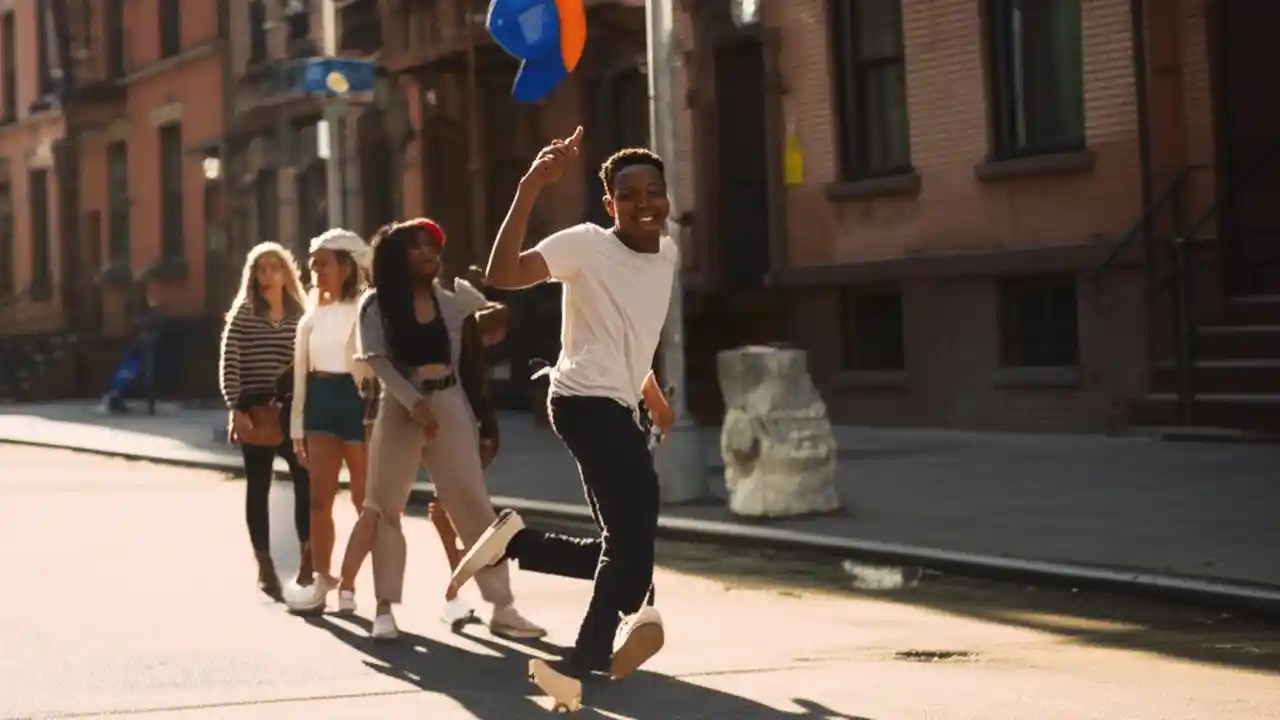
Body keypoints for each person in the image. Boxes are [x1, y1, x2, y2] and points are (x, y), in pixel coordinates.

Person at [450, 128, 676, 708]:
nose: (644, 203)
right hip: (582, 402)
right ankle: (586, 658)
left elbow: (630, 334)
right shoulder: (585, 246)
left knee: (624, 550)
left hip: (618, 404)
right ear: (610, 205)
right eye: (629, 195)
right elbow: (502, 273)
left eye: (653, 192)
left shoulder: (668, 252)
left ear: (666, 197)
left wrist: (650, 392)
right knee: (636, 534)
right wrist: (530, 187)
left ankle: (516, 543)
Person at [344, 218, 545, 641]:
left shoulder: (451, 301)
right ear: (396, 257)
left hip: (449, 402)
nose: (428, 253)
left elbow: (475, 356)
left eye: (432, 246)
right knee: (384, 507)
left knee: (472, 503)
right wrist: (412, 402)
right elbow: (376, 359)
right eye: (417, 246)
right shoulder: (376, 304)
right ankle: (384, 607)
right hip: (400, 407)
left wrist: (485, 422)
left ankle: (503, 606)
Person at [284, 229, 374, 613]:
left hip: (357, 403)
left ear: (346, 267)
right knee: (318, 500)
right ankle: (323, 579)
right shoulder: (310, 317)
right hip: (319, 405)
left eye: (324, 264)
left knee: (364, 501)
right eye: (313, 264)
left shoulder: (366, 310)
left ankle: (350, 583)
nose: (316, 271)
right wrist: (297, 428)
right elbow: (300, 378)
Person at [218, 242, 314, 601]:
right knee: (258, 488)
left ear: (286, 273)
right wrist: (236, 408)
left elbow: (308, 362)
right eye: (261, 269)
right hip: (254, 411)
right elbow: (229, 363)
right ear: (253, 275)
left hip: (292, 412)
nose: (268, 275)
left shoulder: (301, 314)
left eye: (275, 268)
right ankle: (264, 564)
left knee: (306, 481)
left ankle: (307, 560)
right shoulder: (244, 313)